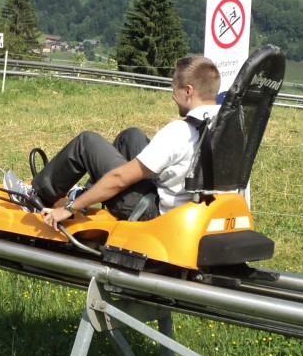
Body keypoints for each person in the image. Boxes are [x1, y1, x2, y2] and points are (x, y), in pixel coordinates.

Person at [14, 55, 221, 229]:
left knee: (87, 142)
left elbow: (120, 179)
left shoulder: (180, 131)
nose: (172, 97)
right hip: (194, 207)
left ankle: (34, 197)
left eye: (174, 89)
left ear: (188, 91)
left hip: (156, 214)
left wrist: (69, 209)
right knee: (131, 136)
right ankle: (86, 194)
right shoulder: (226, 127)